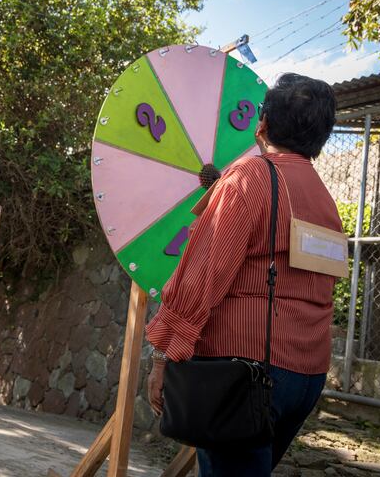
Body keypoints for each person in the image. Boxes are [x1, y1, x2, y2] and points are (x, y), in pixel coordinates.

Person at [145, 73, 343, 476]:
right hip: (306, 376)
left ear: (264, 123)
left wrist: (164, 355)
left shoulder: (249, 177)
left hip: (246, 373)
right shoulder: (325, 200)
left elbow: (202, 274)